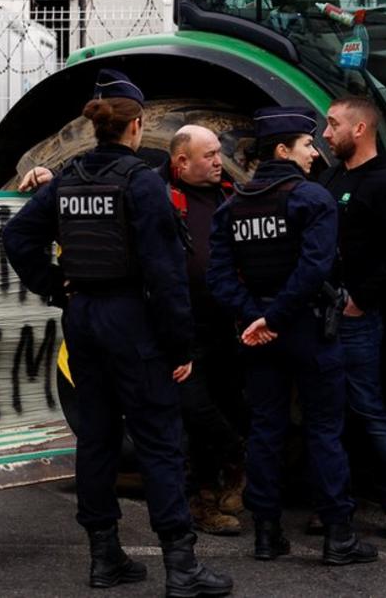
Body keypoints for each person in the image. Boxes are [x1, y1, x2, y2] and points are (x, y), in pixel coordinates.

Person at [3, 69, 233, 596]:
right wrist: (180, 345)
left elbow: (18, 237)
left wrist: (56, 287)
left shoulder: (68, 179)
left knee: (97, 439)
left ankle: (104, 558)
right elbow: (166, 274)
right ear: (137, 126)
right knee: (160, 441)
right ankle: (182, 568)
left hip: (83, 320)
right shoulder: (142, 182)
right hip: (133, 323)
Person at [206, 106, 378, 565]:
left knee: (265, 430)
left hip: (259, 334)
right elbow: (315, 268)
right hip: (306, 328)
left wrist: (256, 318)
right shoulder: (312, 199)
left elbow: (218, 276)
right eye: (306, 144)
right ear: (282, 150)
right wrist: (277, 318)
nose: (314, 152)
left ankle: (266, 535)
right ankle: (338, 537)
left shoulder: (232, 206)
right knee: (324, 430)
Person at [320, 96, 386, 541]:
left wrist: (360, 300)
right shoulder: (331, 177)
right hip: (322, 314)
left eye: (333, 124)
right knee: (328, 414)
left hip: (356, 318)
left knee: (367, 410)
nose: (326, 133)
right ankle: (334, 506)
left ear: (359, 130)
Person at [168, 126, 247, 536]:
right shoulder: (159, 194)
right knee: (196, 413)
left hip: (225, 325)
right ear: (182, 162)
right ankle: (207, 494)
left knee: (229, 404)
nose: (219, 161)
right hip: (183, 329)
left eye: (219, 153)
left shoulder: (229, 196)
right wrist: (51, 177)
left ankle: (222, 489)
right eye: (209, 155)